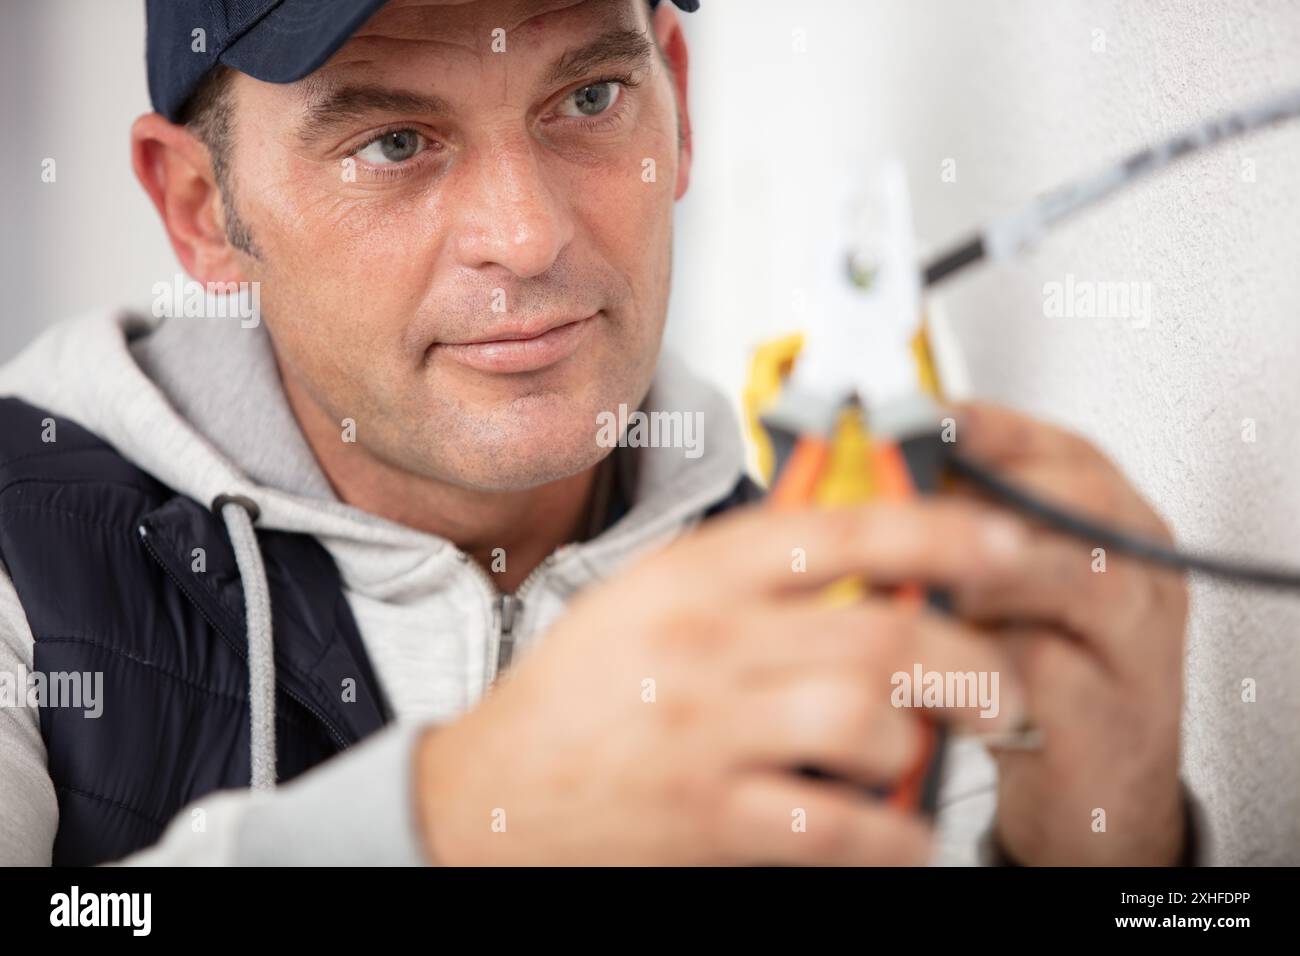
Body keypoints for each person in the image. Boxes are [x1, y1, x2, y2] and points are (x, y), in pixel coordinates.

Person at [0, 0, 1196, 865]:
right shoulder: (25, 546)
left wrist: (1111, 848)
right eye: (394, 143)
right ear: (202, 209)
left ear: (677, 106)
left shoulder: (847, 580)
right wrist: (446, 818)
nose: (525, 236)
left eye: (588, 97)